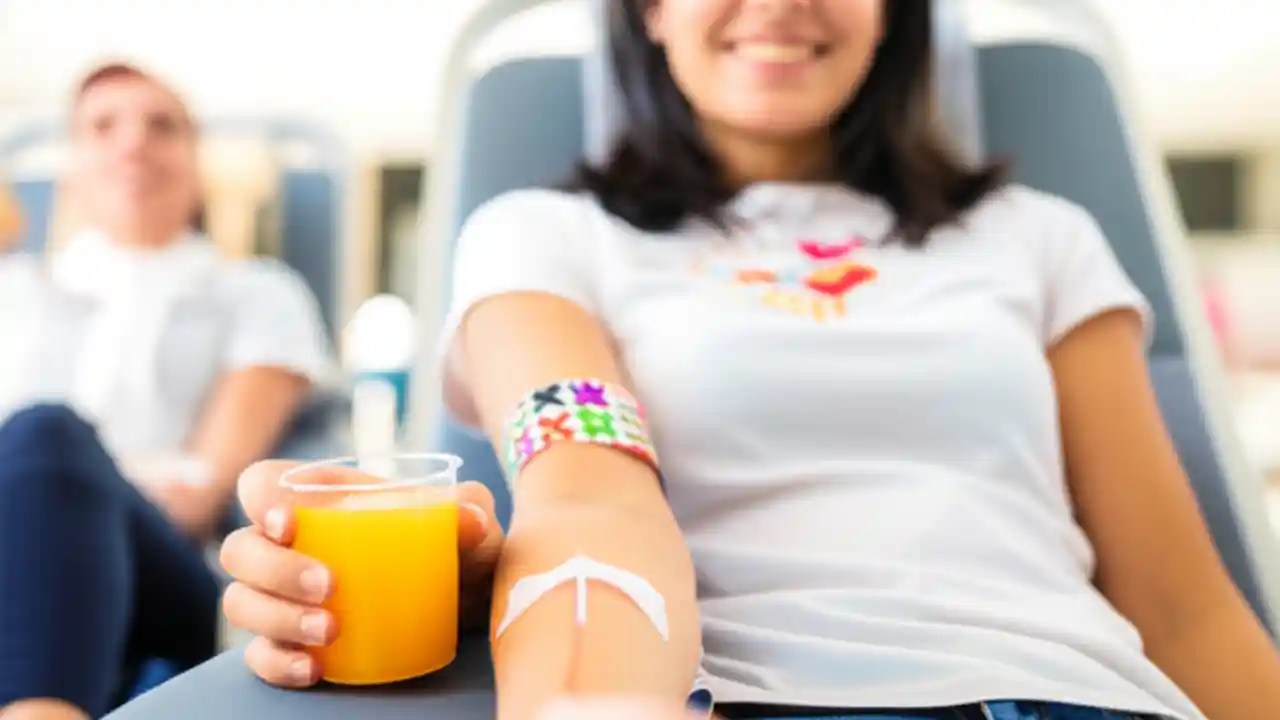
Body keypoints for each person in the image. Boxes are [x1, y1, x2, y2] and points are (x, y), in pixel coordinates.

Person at [220, 1, 1280, 720]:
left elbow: (1182, 606)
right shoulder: (542, 237)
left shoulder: (1037, 236)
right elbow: (589, 500)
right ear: (650, 10)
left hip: (1067, 694)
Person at [0, 63, 331, 720]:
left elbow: (196, 494)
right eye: (103, 127)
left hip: (158, 564)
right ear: (69, 168)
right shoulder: (14, 291)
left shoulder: (257, 294)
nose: (132, 144)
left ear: (196, 164)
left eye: (162, 126)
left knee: (45, 436)